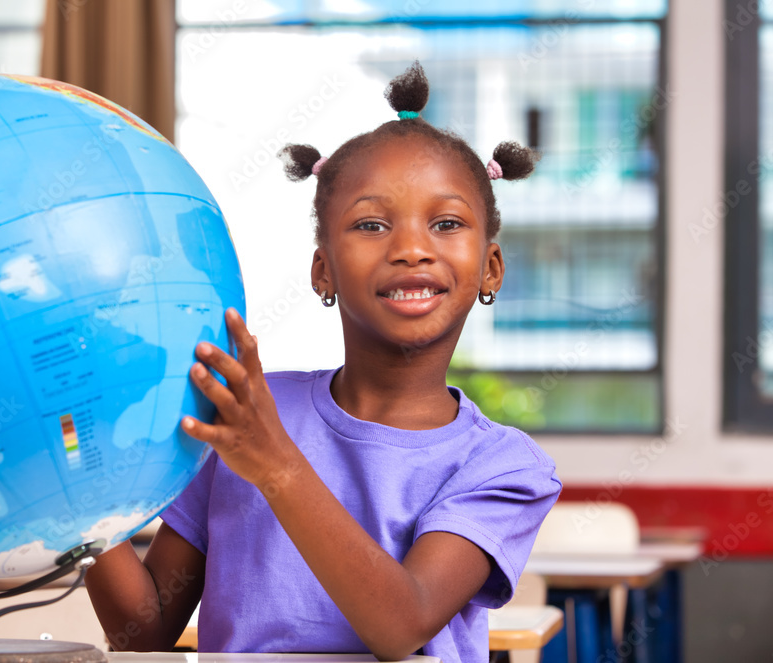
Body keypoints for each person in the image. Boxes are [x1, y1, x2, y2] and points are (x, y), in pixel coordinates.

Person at [84, 61, 562, 662]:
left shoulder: (503, 466)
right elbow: (146, 632)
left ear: (490, 267)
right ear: (323, 271)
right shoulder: (244, 416)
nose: (411, 248)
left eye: (445, 223)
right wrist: (76, 485)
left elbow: (402, 623)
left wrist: (275, 463)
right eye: (370, 224)